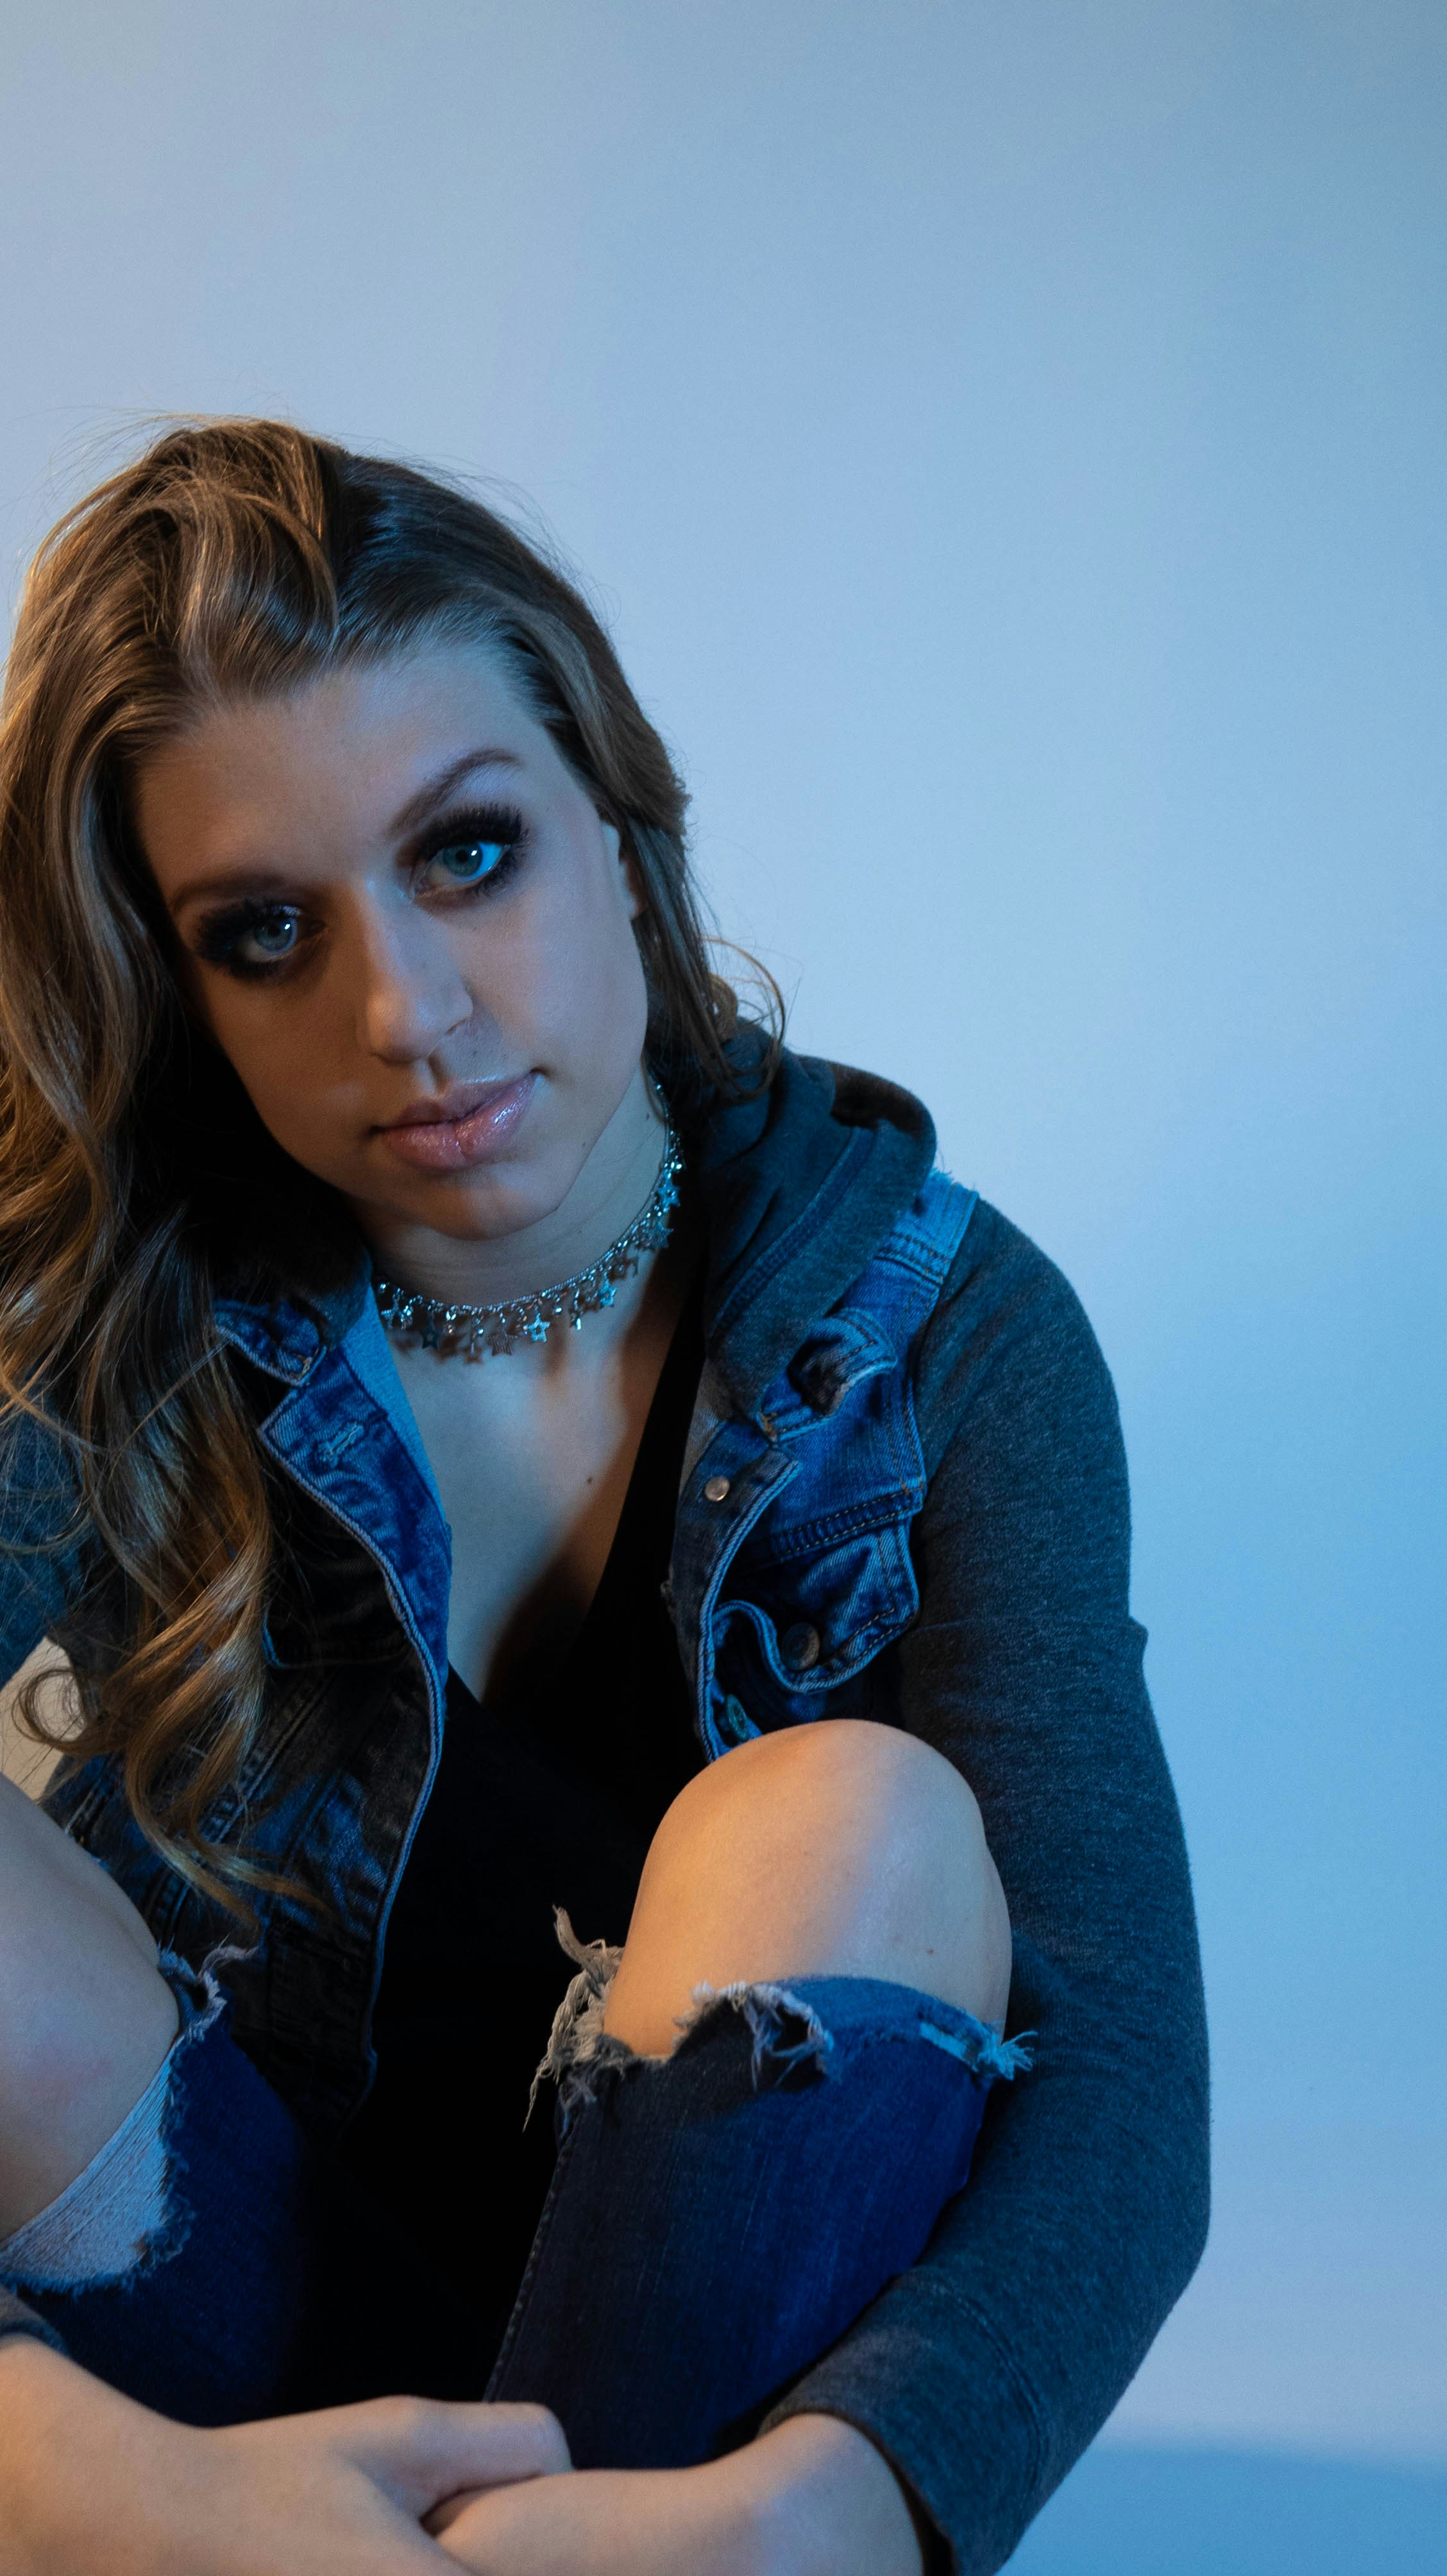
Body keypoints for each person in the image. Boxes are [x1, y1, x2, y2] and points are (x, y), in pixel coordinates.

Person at [0, 420, 1208, 2576]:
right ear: (175, 991)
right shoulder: (95, 1341)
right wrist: (109, 2495)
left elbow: (1123, 2103)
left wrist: (833, 2516)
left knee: (844, 1819)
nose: (412, 1016)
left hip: (719, 2423)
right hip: (248, 2392)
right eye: (268, 932)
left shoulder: (945, 1331)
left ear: (620, 830)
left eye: (467, 856)